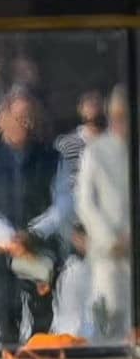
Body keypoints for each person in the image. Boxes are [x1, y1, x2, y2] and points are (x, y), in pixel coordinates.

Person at [0, 87, 71, 347]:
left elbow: (63, 204)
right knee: (5, 319)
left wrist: (34, 232)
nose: (25, 124)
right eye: (19, 117)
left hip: (40, 249)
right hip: (2, 251)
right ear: (2, 119)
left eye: (29, 117)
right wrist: (9, 237)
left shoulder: (53, 158)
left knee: (42, 321)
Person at [76, 86, 131, 339]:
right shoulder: (95, 151)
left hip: (133, 254)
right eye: (117, 115)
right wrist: (110, 238)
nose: (121, 122)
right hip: (106, 256)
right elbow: (86, 203)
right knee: (108, 319)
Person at [51, 90, 106, 335]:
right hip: (74, 235)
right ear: (80, 108)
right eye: (88, 102)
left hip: (108, 236)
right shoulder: (65, 145)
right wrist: (72, 234)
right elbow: (59, 193)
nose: (93, 107)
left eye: (98, 102)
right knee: (73, 311)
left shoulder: (116, 144)